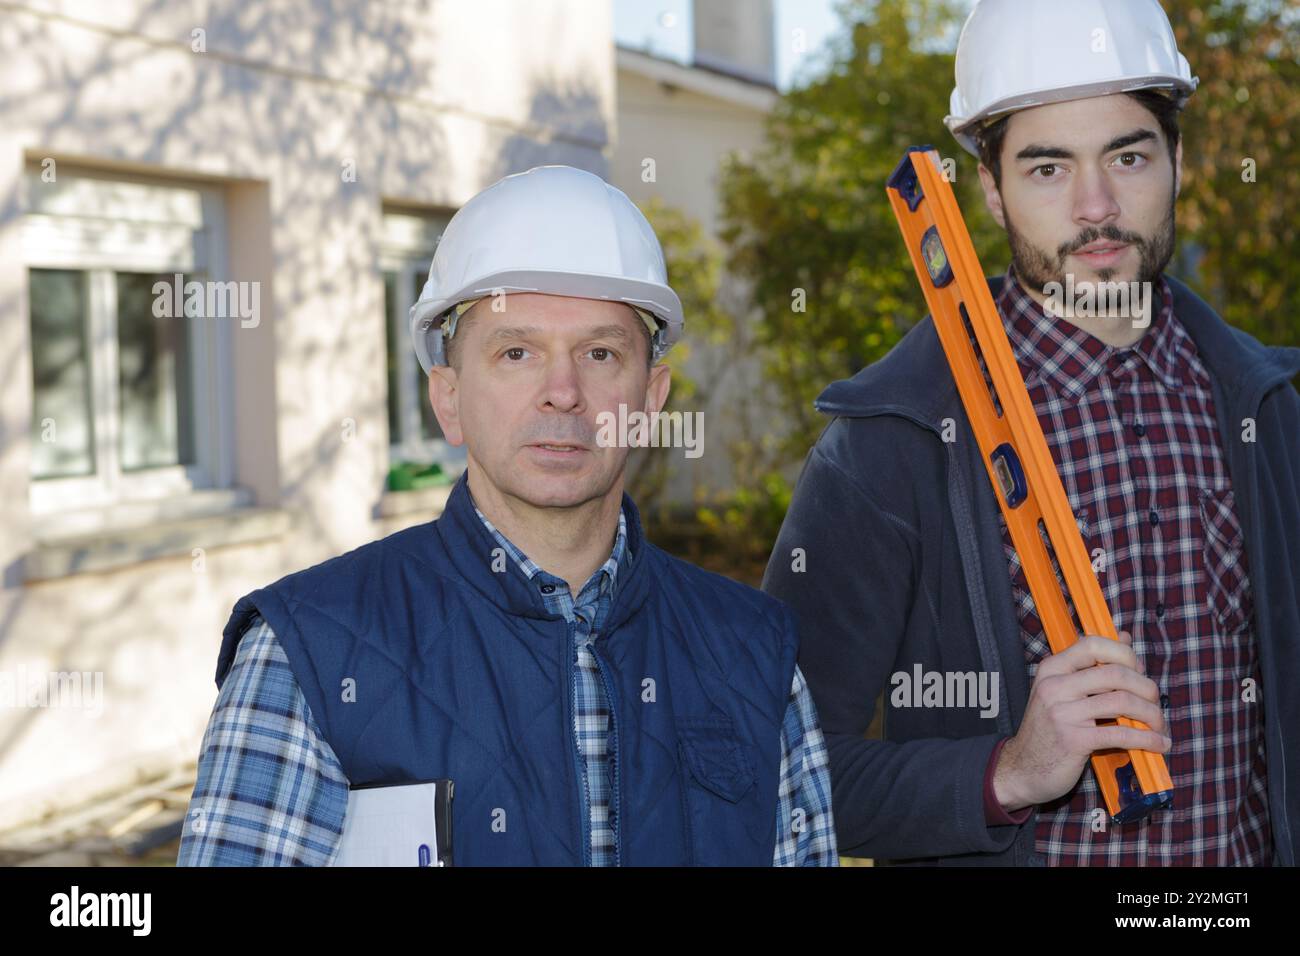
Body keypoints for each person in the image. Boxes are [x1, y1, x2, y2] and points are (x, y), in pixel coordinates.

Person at [762, 0, 1300, 865]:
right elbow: (767, 770)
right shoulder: (890, 444)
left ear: (1178, 162)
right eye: (1049, 168)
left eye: (1128, 156)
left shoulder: (1266, 414)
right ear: (989, 186)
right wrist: (1004, 774)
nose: (1096, 206)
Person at [178, 164, 836, 866]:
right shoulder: (305, 651)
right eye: (516, 352)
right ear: (448, 398)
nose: (562, 392)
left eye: (602, 353)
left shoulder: (755, 653)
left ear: (650, 400)